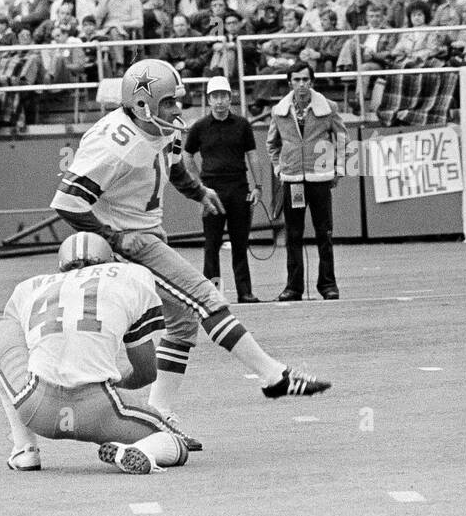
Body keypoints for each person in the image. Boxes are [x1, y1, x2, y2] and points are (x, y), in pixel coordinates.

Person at [50, 59, 329, 451]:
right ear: (143, 105)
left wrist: (198, 191)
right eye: (168, 103)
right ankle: (274, 376)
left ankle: (154, 413)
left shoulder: (163, 129)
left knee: (180, 324)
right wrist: (114, 237)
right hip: (131, 242)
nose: (177, 110)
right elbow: (66, 203)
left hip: (148, 232)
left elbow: (174, 165)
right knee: (204, 296)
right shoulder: (113, 143)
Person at [0, 232, 189, 474]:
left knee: (2, 330)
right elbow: (146, 373)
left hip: (37, 406)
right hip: (101, 410)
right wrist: (115, 380)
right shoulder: (132, 277)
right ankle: (138, 450)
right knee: (175, 442)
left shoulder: (30, 287)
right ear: (108, 260)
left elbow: (17, 334)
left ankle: (24, 449)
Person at [266, 61, 346, 301]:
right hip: (293, 179)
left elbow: (341, 137)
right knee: (293, 234)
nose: (301, 85)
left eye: (305, 80)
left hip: (319, 177)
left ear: (312, 82)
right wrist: (280, 168)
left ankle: (328, 285)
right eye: (297, 80)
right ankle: (293, 287)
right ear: (290, 81)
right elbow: (272, 143)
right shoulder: (279, 111)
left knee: (325, 233)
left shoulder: (328, 107)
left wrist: (339, 168)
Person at [184, 75, 263, 304]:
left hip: (239, 187)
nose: (219, 101)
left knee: (240, 243)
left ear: (230, 98)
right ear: (209, 100)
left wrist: (257, 187)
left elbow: (253, 156)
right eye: (215, 97)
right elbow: (187, 155)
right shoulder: (199, 127)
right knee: (212, 244)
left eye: (223, 96)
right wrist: (199, 186)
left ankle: (245, 292)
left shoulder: (242, 125)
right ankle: (213, 293)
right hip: (213, 190)